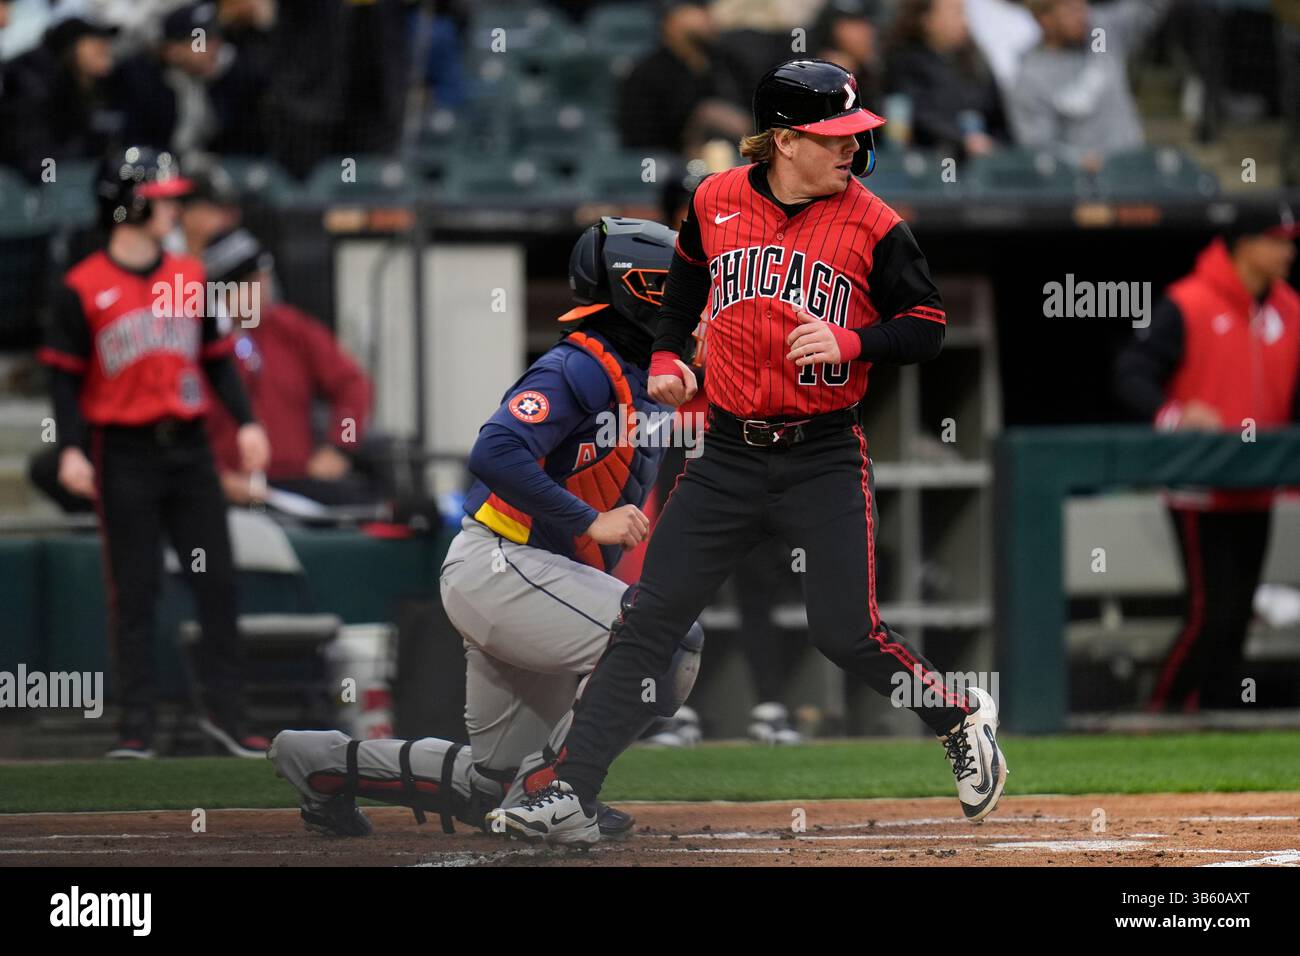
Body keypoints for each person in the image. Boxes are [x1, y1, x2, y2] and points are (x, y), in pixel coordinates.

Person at [488, 59, 1008, 846]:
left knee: (844, 632)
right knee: (648, 617)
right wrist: (667, 356)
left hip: (822, 450)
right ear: (783, 142)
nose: (851, 150)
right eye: (833, 137)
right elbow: (685, 290)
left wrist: (853, 337)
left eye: (855, 135)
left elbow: (928, 325)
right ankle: (571, 792)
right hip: (728, 450)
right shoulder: (714, 199)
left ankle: (957, 715)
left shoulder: (874, 224)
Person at [266, 218, 705, 839]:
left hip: (542, 580)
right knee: (666, 641)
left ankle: (322, 764)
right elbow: (495, 451)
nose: (692, 305)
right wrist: (591, 520)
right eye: (677, 289)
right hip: (502, 567)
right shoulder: (575, 367)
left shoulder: (651, 377)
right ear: (640, 290)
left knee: (492, 786)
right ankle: (560, 792)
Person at [37, 146, 272, 759]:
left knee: (217, 582)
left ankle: (228, 715)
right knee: (135, 589)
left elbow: (219, 361)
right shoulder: (82, 286)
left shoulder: (189, 277)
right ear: (130, 205)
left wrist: (245, 423)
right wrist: (70, 449)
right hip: (124, 451)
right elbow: (64, 379)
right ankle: (136, 725)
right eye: (164, 198)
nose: (174, 208)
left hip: (189, 450)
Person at [1113, 201, 1300, 712]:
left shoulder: (1290, 309)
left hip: (1256, 484)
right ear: (1245, 244)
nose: (1288, 250)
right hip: (1199, 485)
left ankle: (1212, 721)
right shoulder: (1189, 302)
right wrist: (1173, 414)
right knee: (1208, 614)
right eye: (1277, 239)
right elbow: (1131, 371)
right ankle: (1161, 717)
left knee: (1237, 616)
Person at [199, 227, 378, 507]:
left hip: (296, 482)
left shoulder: (290, 328)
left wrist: (340, 446)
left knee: (362, 504)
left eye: (263, 280)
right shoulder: (195, 339)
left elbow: (352, 384)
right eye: (248, 284)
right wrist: (216, 477)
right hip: (222, 489)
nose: (261, 292)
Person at [1008, 0, 1175, 171]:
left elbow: (1149, 7)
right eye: (1070, 9)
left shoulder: (1098, 35)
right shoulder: (1032, 76)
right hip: (1086, 185)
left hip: (1134, 171)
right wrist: (1079, 161)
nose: (1082, 15)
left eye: (1082, 6)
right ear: (1044, 19)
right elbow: (1038, 147)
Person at [617, 0, 749, 156]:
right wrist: (699, 121)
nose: (708, 16)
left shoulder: (727, 63)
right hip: (671, 167)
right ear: (671, 19)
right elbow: (641, 141)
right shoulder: (647, 74)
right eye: (698, 9)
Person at [883, 0, 1006, 158]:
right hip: (931, 165)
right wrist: (961, 140)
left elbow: (998, 117)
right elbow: (914, 116)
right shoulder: (903, 62)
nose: (964, 21)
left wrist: (993, 143)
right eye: (955, 12)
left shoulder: (975, 61)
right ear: (926, 19)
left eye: (963, 12)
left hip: (982, 165)